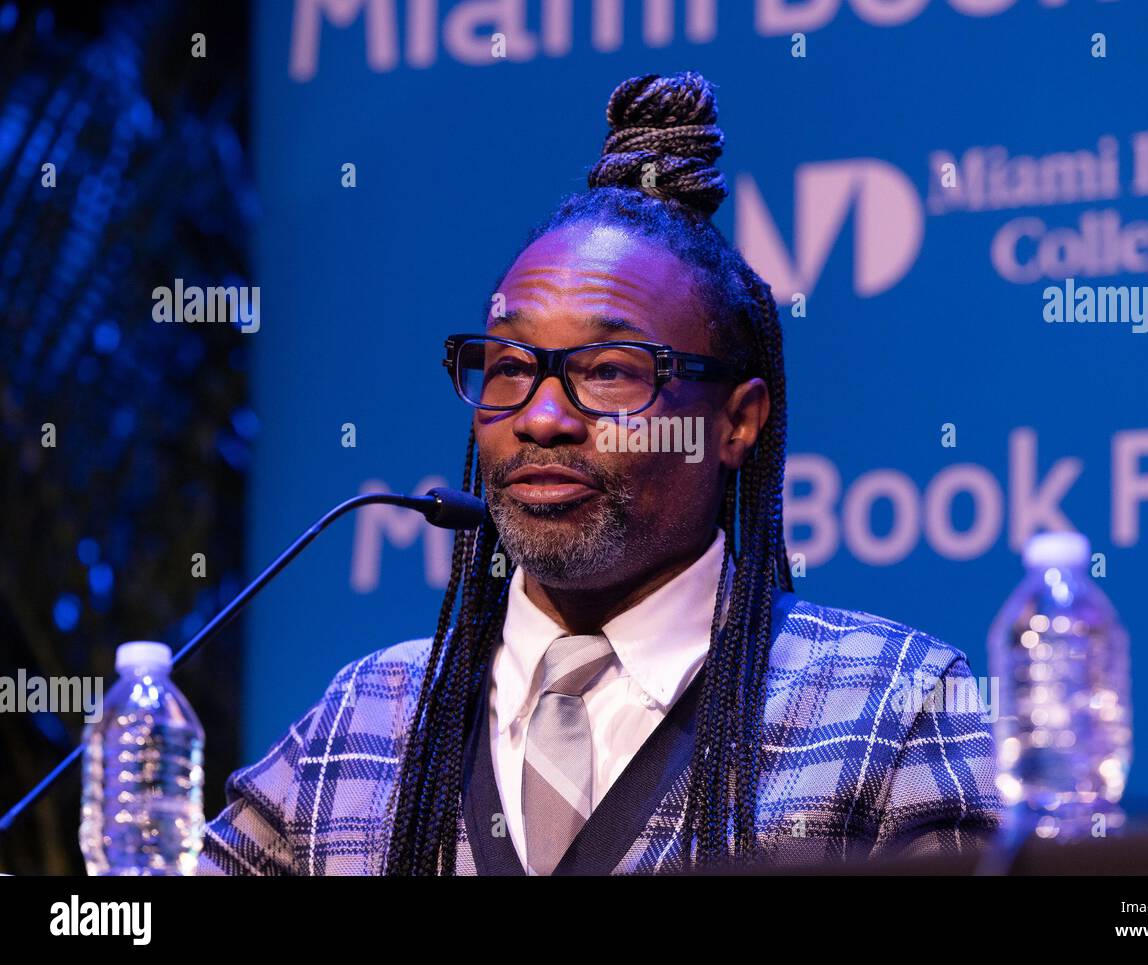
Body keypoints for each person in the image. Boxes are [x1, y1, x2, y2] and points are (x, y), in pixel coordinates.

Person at [199, 70, 1001, 876]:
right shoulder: (363, 724)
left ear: (736, 422)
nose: (541, 416)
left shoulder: (892, 707)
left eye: (610, 370)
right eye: (510, 365)